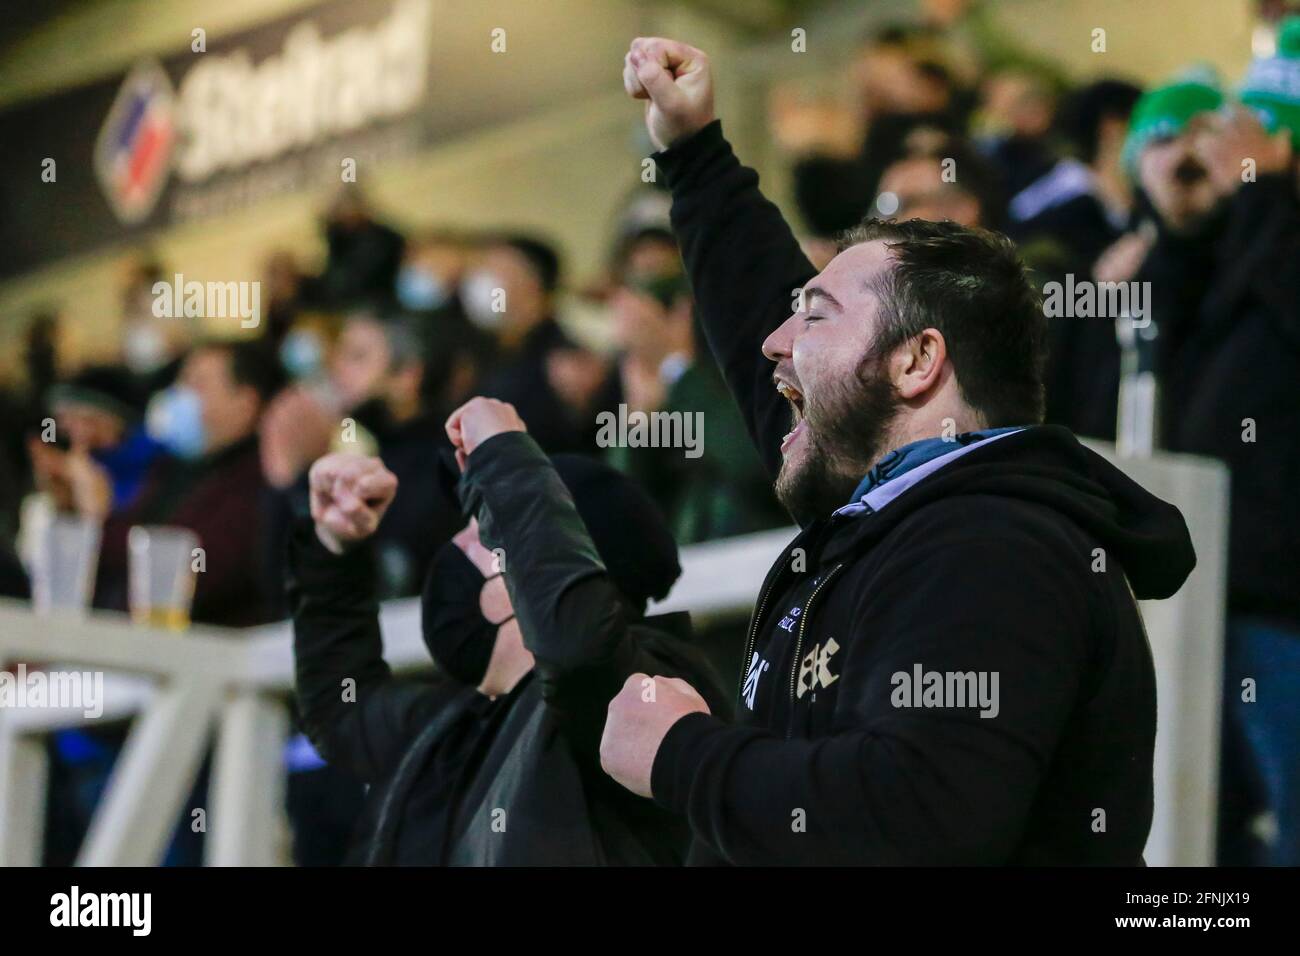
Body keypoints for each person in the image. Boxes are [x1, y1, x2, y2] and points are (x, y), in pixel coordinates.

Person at [597, 37, 1197, 866]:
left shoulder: (993, 546)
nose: (775, 342)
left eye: (813, 315)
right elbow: (753, 324)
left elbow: (915, 818)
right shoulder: (889, 512)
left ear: (917, 362)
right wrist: (694, 152)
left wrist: (681, 755)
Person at [287, 397, 727, 864]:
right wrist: (333, 548)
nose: (455, 546)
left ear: (548, 563)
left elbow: (579, 654)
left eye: (483, 530)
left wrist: (502, 451)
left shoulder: (645, 693)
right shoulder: (454, 723)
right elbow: (340, 709)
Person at [1119, 31, 1300, 866]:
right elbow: (1168, 354)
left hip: (1282, 603)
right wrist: (1183, 229)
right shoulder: (1243, 248)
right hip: (1206, 597)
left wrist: (1266, 191)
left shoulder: (1276, 237)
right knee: (1196, 841)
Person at [606, 228, 785, 543]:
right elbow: (620, 517)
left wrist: (676, 367)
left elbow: (757, 470)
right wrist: (640, 419)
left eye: (666, 287)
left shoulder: (768, 346)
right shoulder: (649, 377)